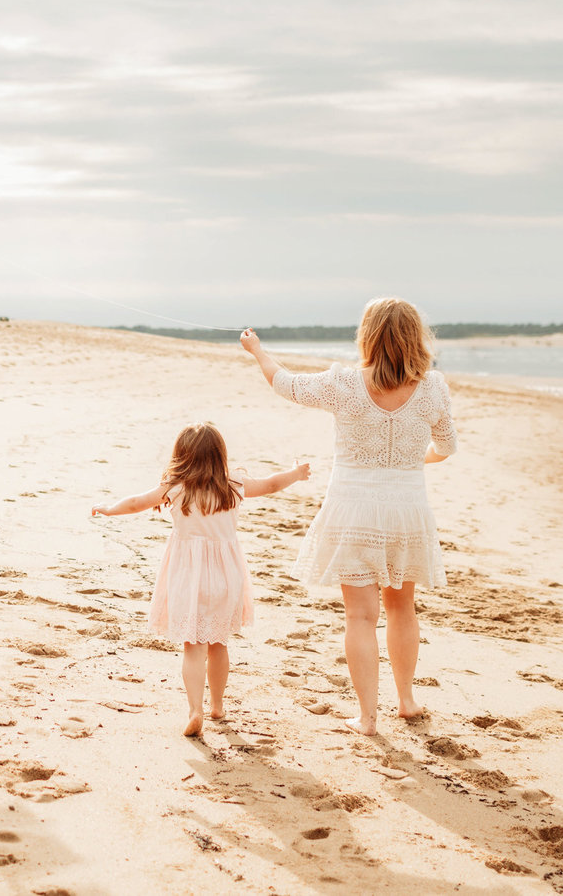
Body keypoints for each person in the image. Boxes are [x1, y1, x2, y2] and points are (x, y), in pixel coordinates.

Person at [239, 298, 456, 735]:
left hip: (353, 507)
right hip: (408, 509)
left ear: (367, 335)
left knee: (359, 616)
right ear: (417, 338)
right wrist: (418, 462)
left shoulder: (345, 384)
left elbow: (286, 384)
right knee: (402, 609)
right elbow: (447, 446)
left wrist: (258, 351)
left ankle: (368, 718)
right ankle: (407, 700)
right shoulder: (433, 388)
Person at [92, 422, 310, 737]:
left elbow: (138, 502)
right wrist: (295, 473)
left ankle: (195, 709)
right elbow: (272, 484)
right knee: (219, 642)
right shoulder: (234, 483)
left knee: (193, 645)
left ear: (181, 456)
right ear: (219, 455)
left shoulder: (175, 487)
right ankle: (217, 706)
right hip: (227, 575)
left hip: (187, 576)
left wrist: (110, 509)